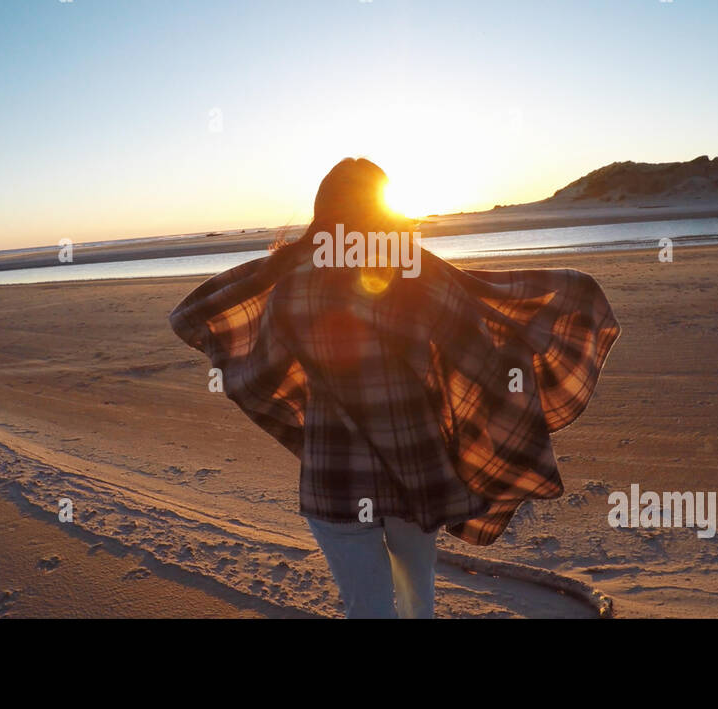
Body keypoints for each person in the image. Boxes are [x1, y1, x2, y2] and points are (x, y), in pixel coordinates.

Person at [169, 158, 619, 618]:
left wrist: (306, 409)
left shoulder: (287, 279)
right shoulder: (413, 271)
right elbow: (478, 337)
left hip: (334, 475)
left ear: (323, 208)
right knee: (417, 603)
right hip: (415, 472)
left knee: (368, 611)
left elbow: (218, 335)